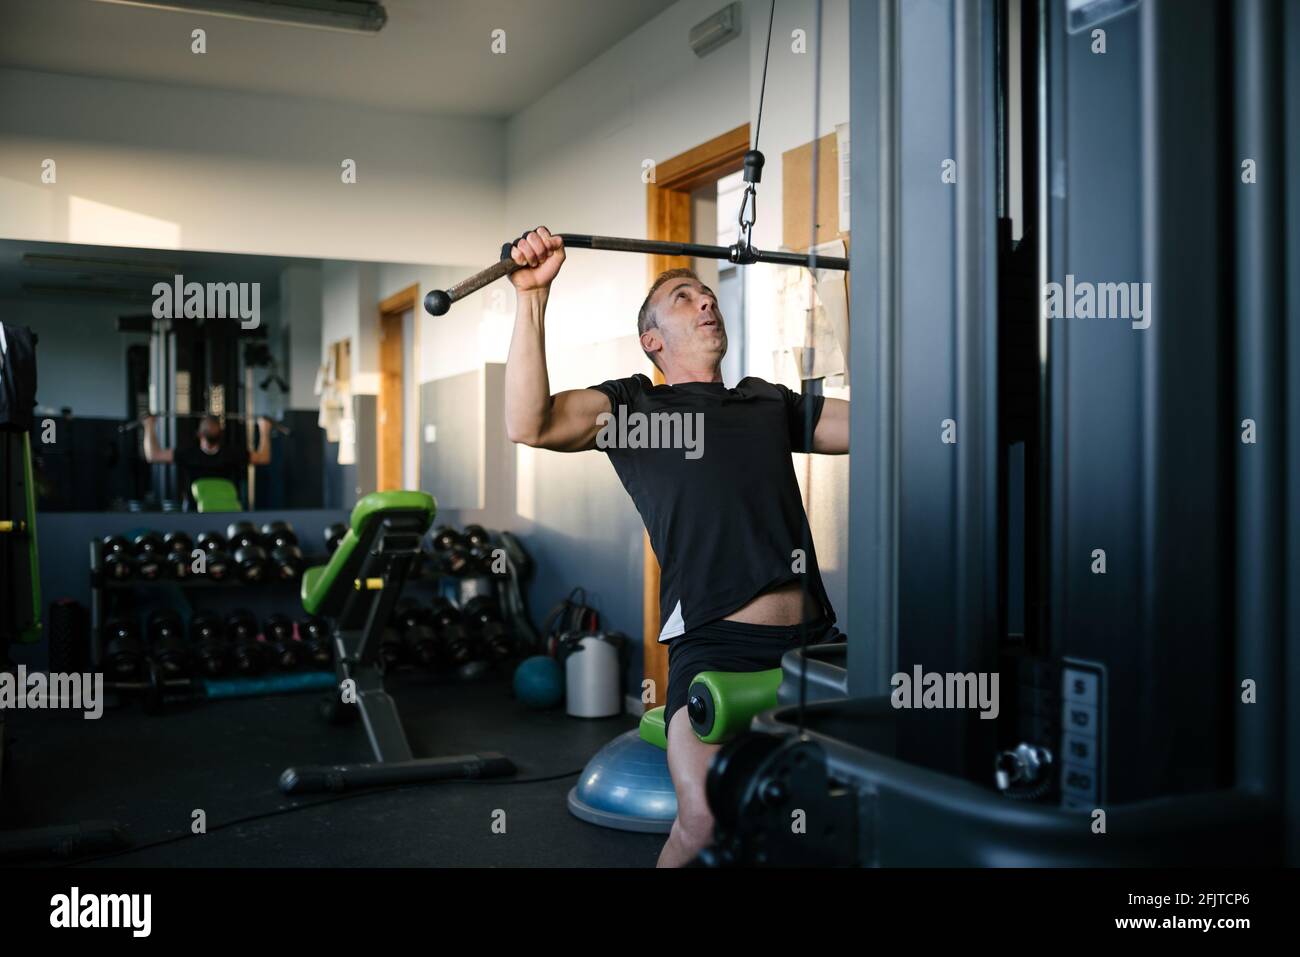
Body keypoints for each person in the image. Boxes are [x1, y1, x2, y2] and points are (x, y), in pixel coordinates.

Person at [502, 226, 849, 867]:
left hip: (817, 644)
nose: (706, 302)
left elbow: (883, 425)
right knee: (705, 822)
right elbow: (531, 422)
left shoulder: (766, 400)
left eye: (708, 294)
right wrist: (532, 298)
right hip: (718, 644)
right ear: (652, 340)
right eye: (685, 297)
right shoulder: (638, 407)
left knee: (842, 809)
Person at [142, 413, 272, 508]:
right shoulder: (231, 453)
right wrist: (264, 429)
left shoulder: (230, 454)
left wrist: (149, 426)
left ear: (199, 434)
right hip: (201, 514)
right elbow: (263, 457)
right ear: (221, 433)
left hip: (221, 513)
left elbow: (153, 455)